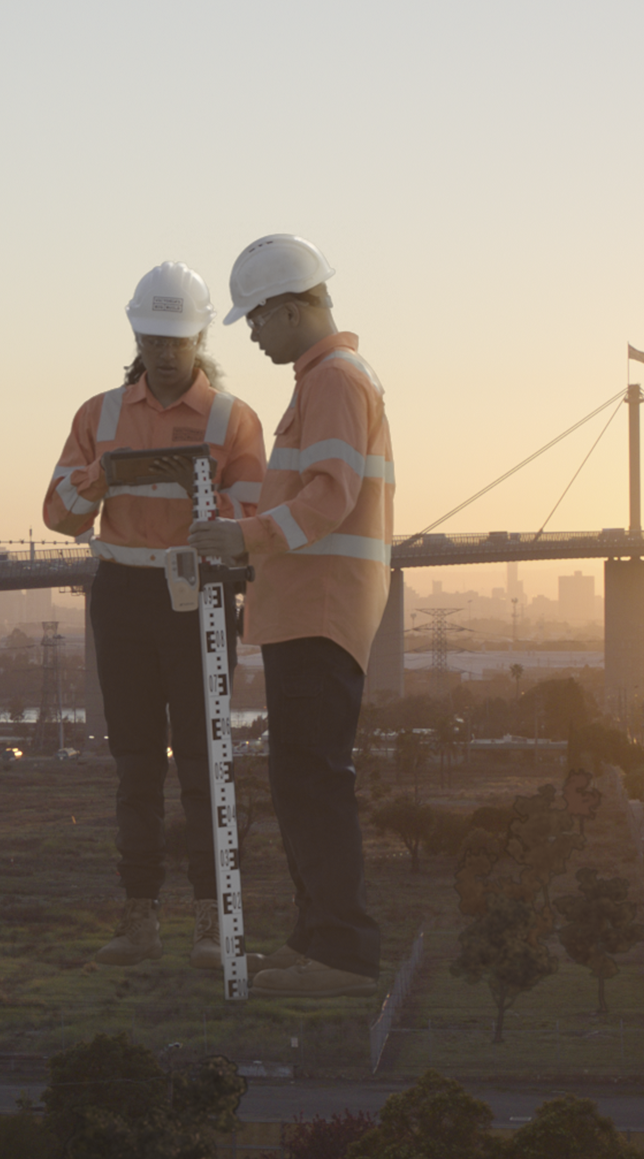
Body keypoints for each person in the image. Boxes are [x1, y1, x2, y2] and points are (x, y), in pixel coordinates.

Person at [40, 262, 264, 969]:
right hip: (124, 591)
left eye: (178, 338)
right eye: (155, 337)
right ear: (136, 332)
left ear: (199, 336)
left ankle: (212, 924)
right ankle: (139, 922)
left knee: (205, 762)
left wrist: (203, 502)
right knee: (135, 763)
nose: (166, 351)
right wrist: (104, 475)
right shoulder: (98, 416)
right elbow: (58, 515)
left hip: (200, 592)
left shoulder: (233, 419)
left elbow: (255, 516)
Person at [189, 234, 393, 998]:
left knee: (314, 781)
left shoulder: (335, 380)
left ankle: (339, 953)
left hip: (321, 607)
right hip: (307, 603)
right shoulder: (325, 381)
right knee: (304, 781)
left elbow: (330, 494)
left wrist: (243, 535)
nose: (251, 333)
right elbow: (314, 500)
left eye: (258, 318)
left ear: (295, 306)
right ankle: (317, 943)